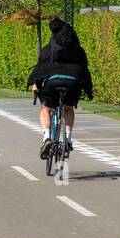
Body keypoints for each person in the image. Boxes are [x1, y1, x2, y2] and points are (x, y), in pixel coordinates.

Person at [26, 17, 93, 159]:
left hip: (53, 82)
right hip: (73, 82)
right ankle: (67, 140)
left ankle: (47, 137)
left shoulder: (49, 49)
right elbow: (84, 68)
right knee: (68, 108)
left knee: (45, 108)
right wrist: (84, 85)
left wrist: (36, 84)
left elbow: (41, 68)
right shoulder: (78, 49)